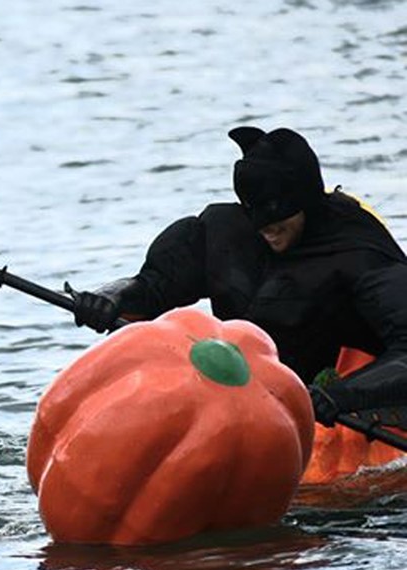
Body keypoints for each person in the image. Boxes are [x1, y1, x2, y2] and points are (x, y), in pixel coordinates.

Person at [65, 126, 407, 429]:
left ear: (305, 199)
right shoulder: (225, 232)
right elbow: (152, 286)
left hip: (335, 407)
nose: (267, 231)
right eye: (256, 216)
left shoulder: (362, 253)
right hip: (241, 398)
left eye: (278, 218)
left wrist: (340, 396)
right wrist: (110, 298)